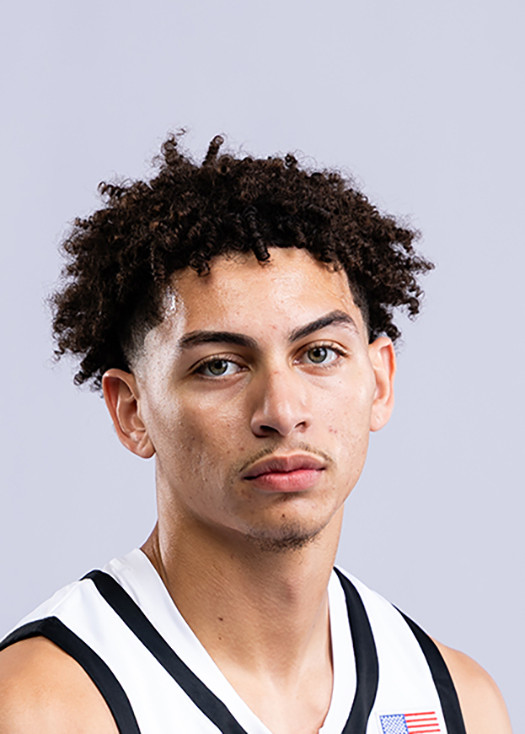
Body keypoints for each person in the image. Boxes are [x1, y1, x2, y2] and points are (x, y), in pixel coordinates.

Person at [0, 134, 512, 734]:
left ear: (379, 381)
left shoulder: (458, 703)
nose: (282, 411)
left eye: (319, 353)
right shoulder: (43, 707)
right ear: (132, 411)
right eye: (220, 365)